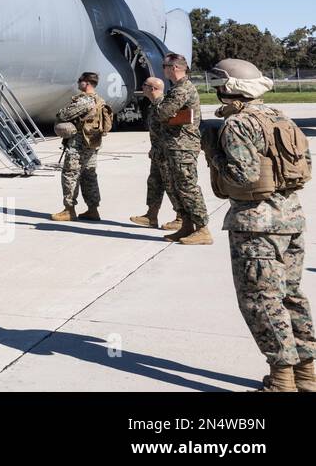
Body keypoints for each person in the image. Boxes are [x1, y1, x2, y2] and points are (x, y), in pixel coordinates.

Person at [203, 58, 314, 391]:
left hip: (256, 225)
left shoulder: (237, 124)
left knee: (261, 301)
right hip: (290, 219)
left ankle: (282, 380)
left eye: (220, 84)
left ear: (229, 88)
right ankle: (307, 374)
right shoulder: (281, 117)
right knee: (291, 296)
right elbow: (304, 165)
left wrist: (213, 151)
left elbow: (244, 175)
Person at [152, 52, 212, 244]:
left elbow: (163, 113)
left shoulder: (182, 89)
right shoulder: (176, 88)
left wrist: (157, 99)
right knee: (175, 187)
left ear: (175, 68)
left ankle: (202, 229)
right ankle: (186, 225)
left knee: (187, 187)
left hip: (183, 146)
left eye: (165, 67)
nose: (163, 70)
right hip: (174, 146)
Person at [52, 71, 107, 222]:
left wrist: (61, 113)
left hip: (78, 145)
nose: (78, 83)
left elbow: (63, 115)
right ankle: (93, 209)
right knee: (89, 176)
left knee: (70, 175)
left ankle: (69, 210)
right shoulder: (99, 100)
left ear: (87, 83)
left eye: (80, 81)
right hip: (92, 144)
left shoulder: (84, 101)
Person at [131, 77, 178, 230]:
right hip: (157, 153)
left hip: (165, 154)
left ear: (152, 89)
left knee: (171, 185)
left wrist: (162, 149)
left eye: (144, 85)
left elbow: (171, 132)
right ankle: (151, 216)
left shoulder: (165, 106)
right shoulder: (153, 106)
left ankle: (181, 217)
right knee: (154, 184)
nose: (141, 87)